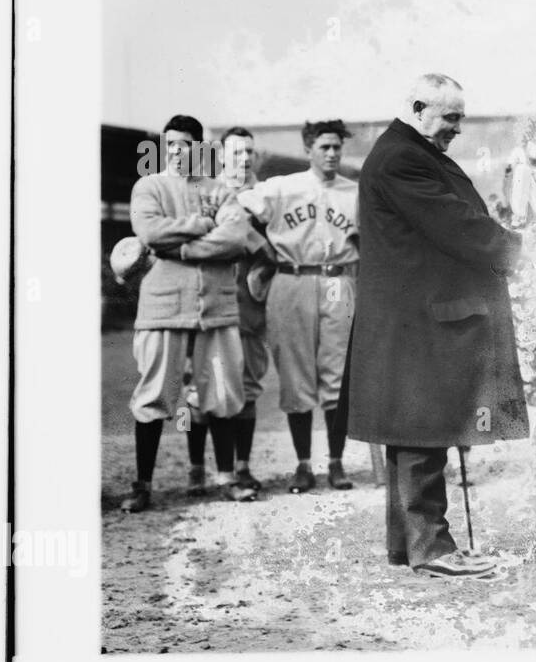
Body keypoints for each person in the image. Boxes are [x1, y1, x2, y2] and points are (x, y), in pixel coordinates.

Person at [341, 74, 528, 578]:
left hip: (411, 318)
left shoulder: (400, 150)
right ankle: (435, 550)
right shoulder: (402, 157)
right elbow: (455, 224)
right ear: (419, 108)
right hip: (418, 321)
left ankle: (411, 547)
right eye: (450, 117)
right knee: (422, 431)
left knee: (411, 432)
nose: (458, 128)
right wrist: (518, 248)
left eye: (461, 117)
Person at [121, 115, 256, 511]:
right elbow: (149, 233)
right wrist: (200, 224)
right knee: (155, 396)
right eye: (171, 144)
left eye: (185, 144)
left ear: (201, 147)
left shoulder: (219, 190)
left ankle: (227, 477)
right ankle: (142, 484)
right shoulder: (149, 186)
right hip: (163, 306)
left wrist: (181, 249)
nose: (177, 151)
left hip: (216, 306)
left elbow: (236, 237)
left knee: (223, 393)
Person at [237, 120, 359, 493]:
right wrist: (262, 248)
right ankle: (304, 465)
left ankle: (336, 464)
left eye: (337, 147)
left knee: (337, 375)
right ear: (309, 149)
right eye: (324, 147)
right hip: (291, 279)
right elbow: (239, 202)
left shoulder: (356, 192)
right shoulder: (282, 187)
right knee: (295, 375)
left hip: (338, 280)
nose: (332, 153)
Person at [186, 127, 275, 494]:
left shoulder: (267, 196)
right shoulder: (205, 192)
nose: (244, 159)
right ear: (221, 155)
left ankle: (242, 466)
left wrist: (264, 266)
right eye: (236, 152)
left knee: (249, 386)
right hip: (208, 301)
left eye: (249, 152)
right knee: (196, 390)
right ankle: (194, 466)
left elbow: (279, 248)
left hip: (250, 304)